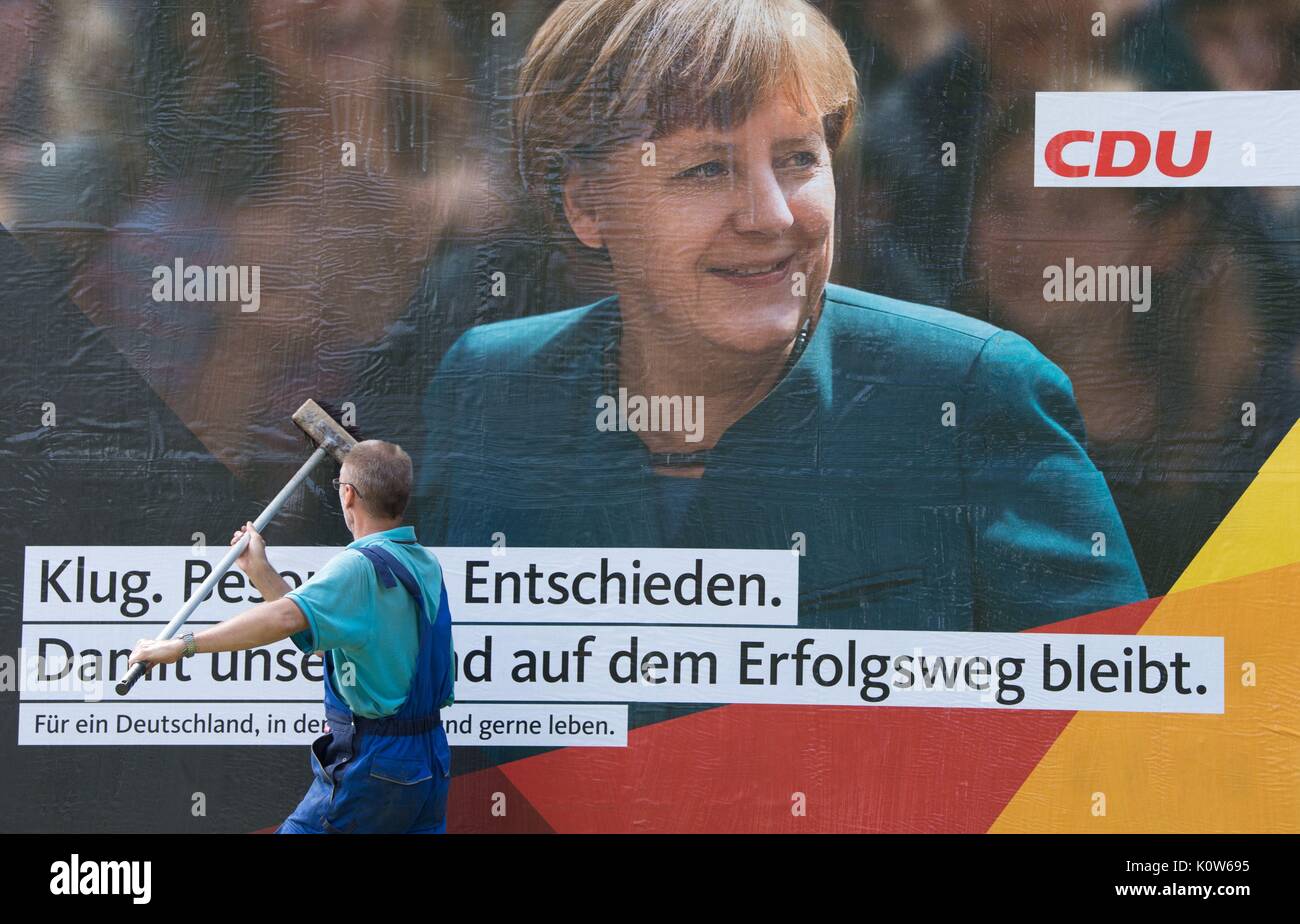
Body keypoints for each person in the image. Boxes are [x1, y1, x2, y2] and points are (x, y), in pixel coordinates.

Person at [416, 0, 1147, 637]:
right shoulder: (490, 383)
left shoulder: (974, 392)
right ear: (587, 206)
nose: (771, 216)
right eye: (705, 169)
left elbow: (1120, 739)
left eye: (799, 158)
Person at [129, 440, 454, 834]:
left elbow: (285, 617)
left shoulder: (359, 567)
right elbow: (323, 630)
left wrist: (182, 645)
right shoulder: (423, 562)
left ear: (347, 493)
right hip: (429, 761)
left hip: (378, 760)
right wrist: (260, 572)